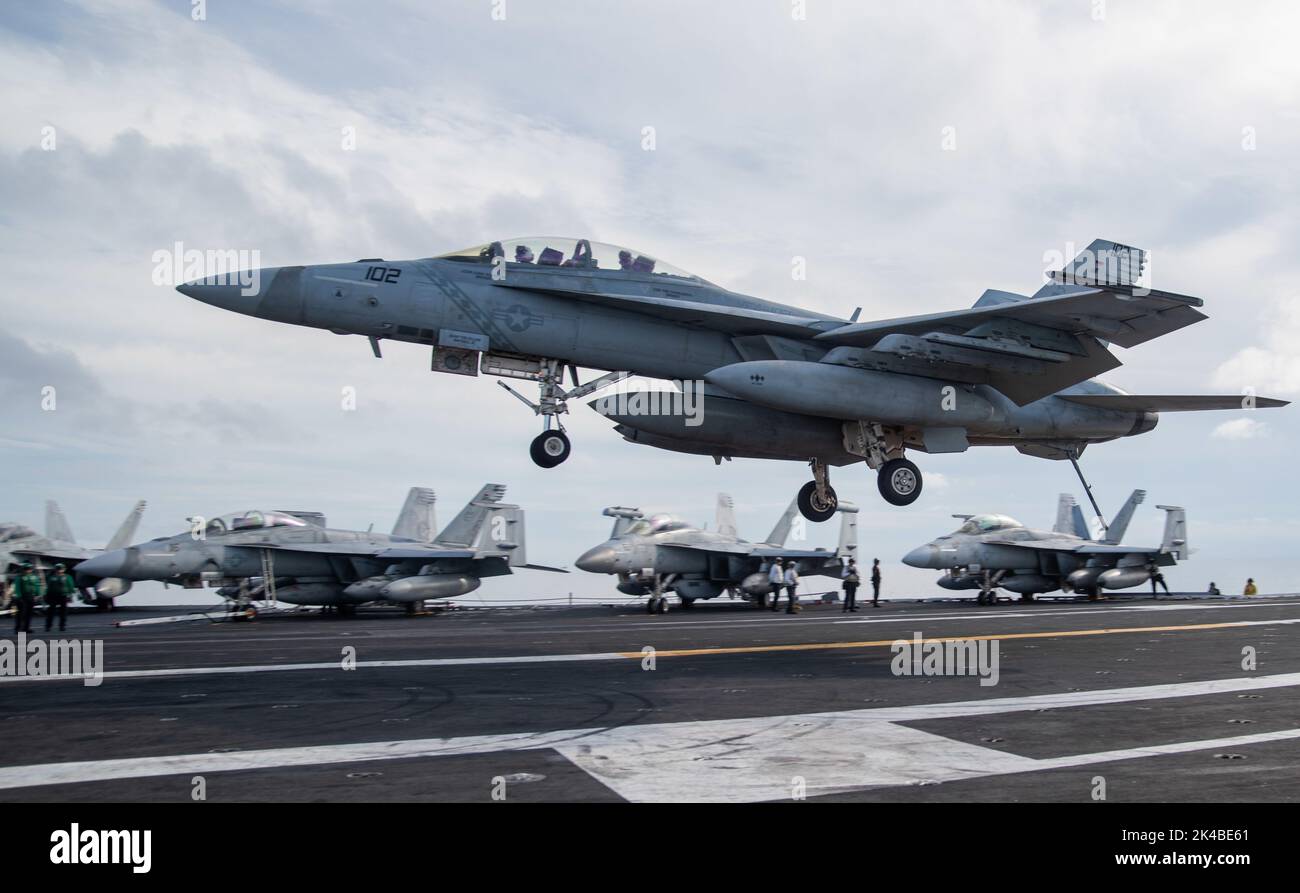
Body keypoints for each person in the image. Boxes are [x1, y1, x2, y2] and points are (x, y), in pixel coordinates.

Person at [11, 562, 42, 635]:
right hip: (22, 597)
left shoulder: (34, 577)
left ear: (31, 569)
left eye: (29, 569)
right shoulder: (20, 577)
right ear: (23, 569)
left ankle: (26, 628)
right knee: (21, 614)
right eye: (26, 569)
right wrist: (19, 596)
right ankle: (18, 628)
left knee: (29, 613)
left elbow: (37, 585)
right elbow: (17, 587)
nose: (28, 570)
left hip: (31, 596)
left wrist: (38, 594)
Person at [45, 563, 74, 633]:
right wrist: (46, 595)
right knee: (51, 611)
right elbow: (49, 587)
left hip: (63, 595)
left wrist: (70, 594)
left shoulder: (67, 577)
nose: (59, 570)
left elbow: (71, 586)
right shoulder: (51, 577)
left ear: (64, 569)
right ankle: (48, 626)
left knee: (63, 612)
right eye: (58, 569)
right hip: (53, 596)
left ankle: (62, 626)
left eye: (61, 569)